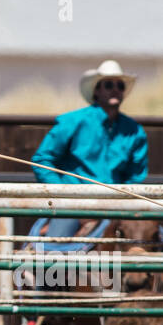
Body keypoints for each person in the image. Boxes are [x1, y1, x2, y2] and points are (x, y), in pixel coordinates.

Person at [28, 59, 148, 253]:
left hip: (116, 206)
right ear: (97, 91)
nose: (115, 89)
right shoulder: (73, 122)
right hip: (74, 205)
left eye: (120, 85)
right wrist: (64, 195)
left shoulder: (134, 131)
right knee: (52, 251)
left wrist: (123, 199)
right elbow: (42, 160)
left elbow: (135, 176)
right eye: (109, 85)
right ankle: (43, 282)